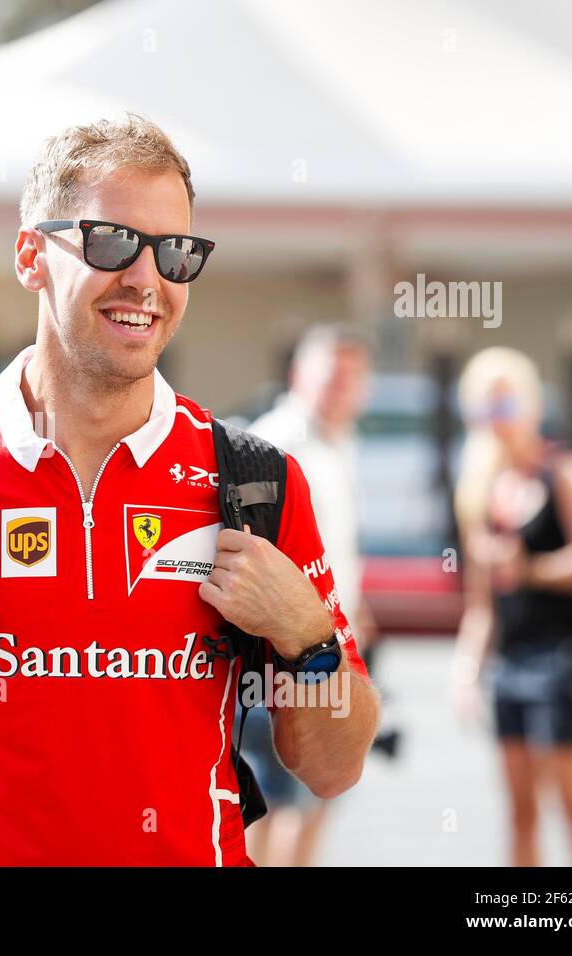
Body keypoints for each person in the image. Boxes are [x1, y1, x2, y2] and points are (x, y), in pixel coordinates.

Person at [0, 114, 379, 867]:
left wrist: (307, 632)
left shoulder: (256, 481)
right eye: (111, 242)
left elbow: (335, 766)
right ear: (31, 256)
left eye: (175, 253)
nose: (146, 278)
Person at [449, 346, 572, 867]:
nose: (496, 423)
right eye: (484, 411)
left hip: (566, 659)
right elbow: (480, 603)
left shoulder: (564, 473)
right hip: (513, 666)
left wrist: (528, 569)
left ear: (530, 406)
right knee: (520, 810)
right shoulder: (481, 490)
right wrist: (466, 670)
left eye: (505, 408)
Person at [243, 323, 376, 867]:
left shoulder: (339, 442)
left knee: (316, 796)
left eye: (353, 378)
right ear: (299, 376)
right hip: (284, 647)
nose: (341, 388)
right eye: (331, 375)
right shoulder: (276, 445)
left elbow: (335, 548)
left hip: (325, 640)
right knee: (275, 801)